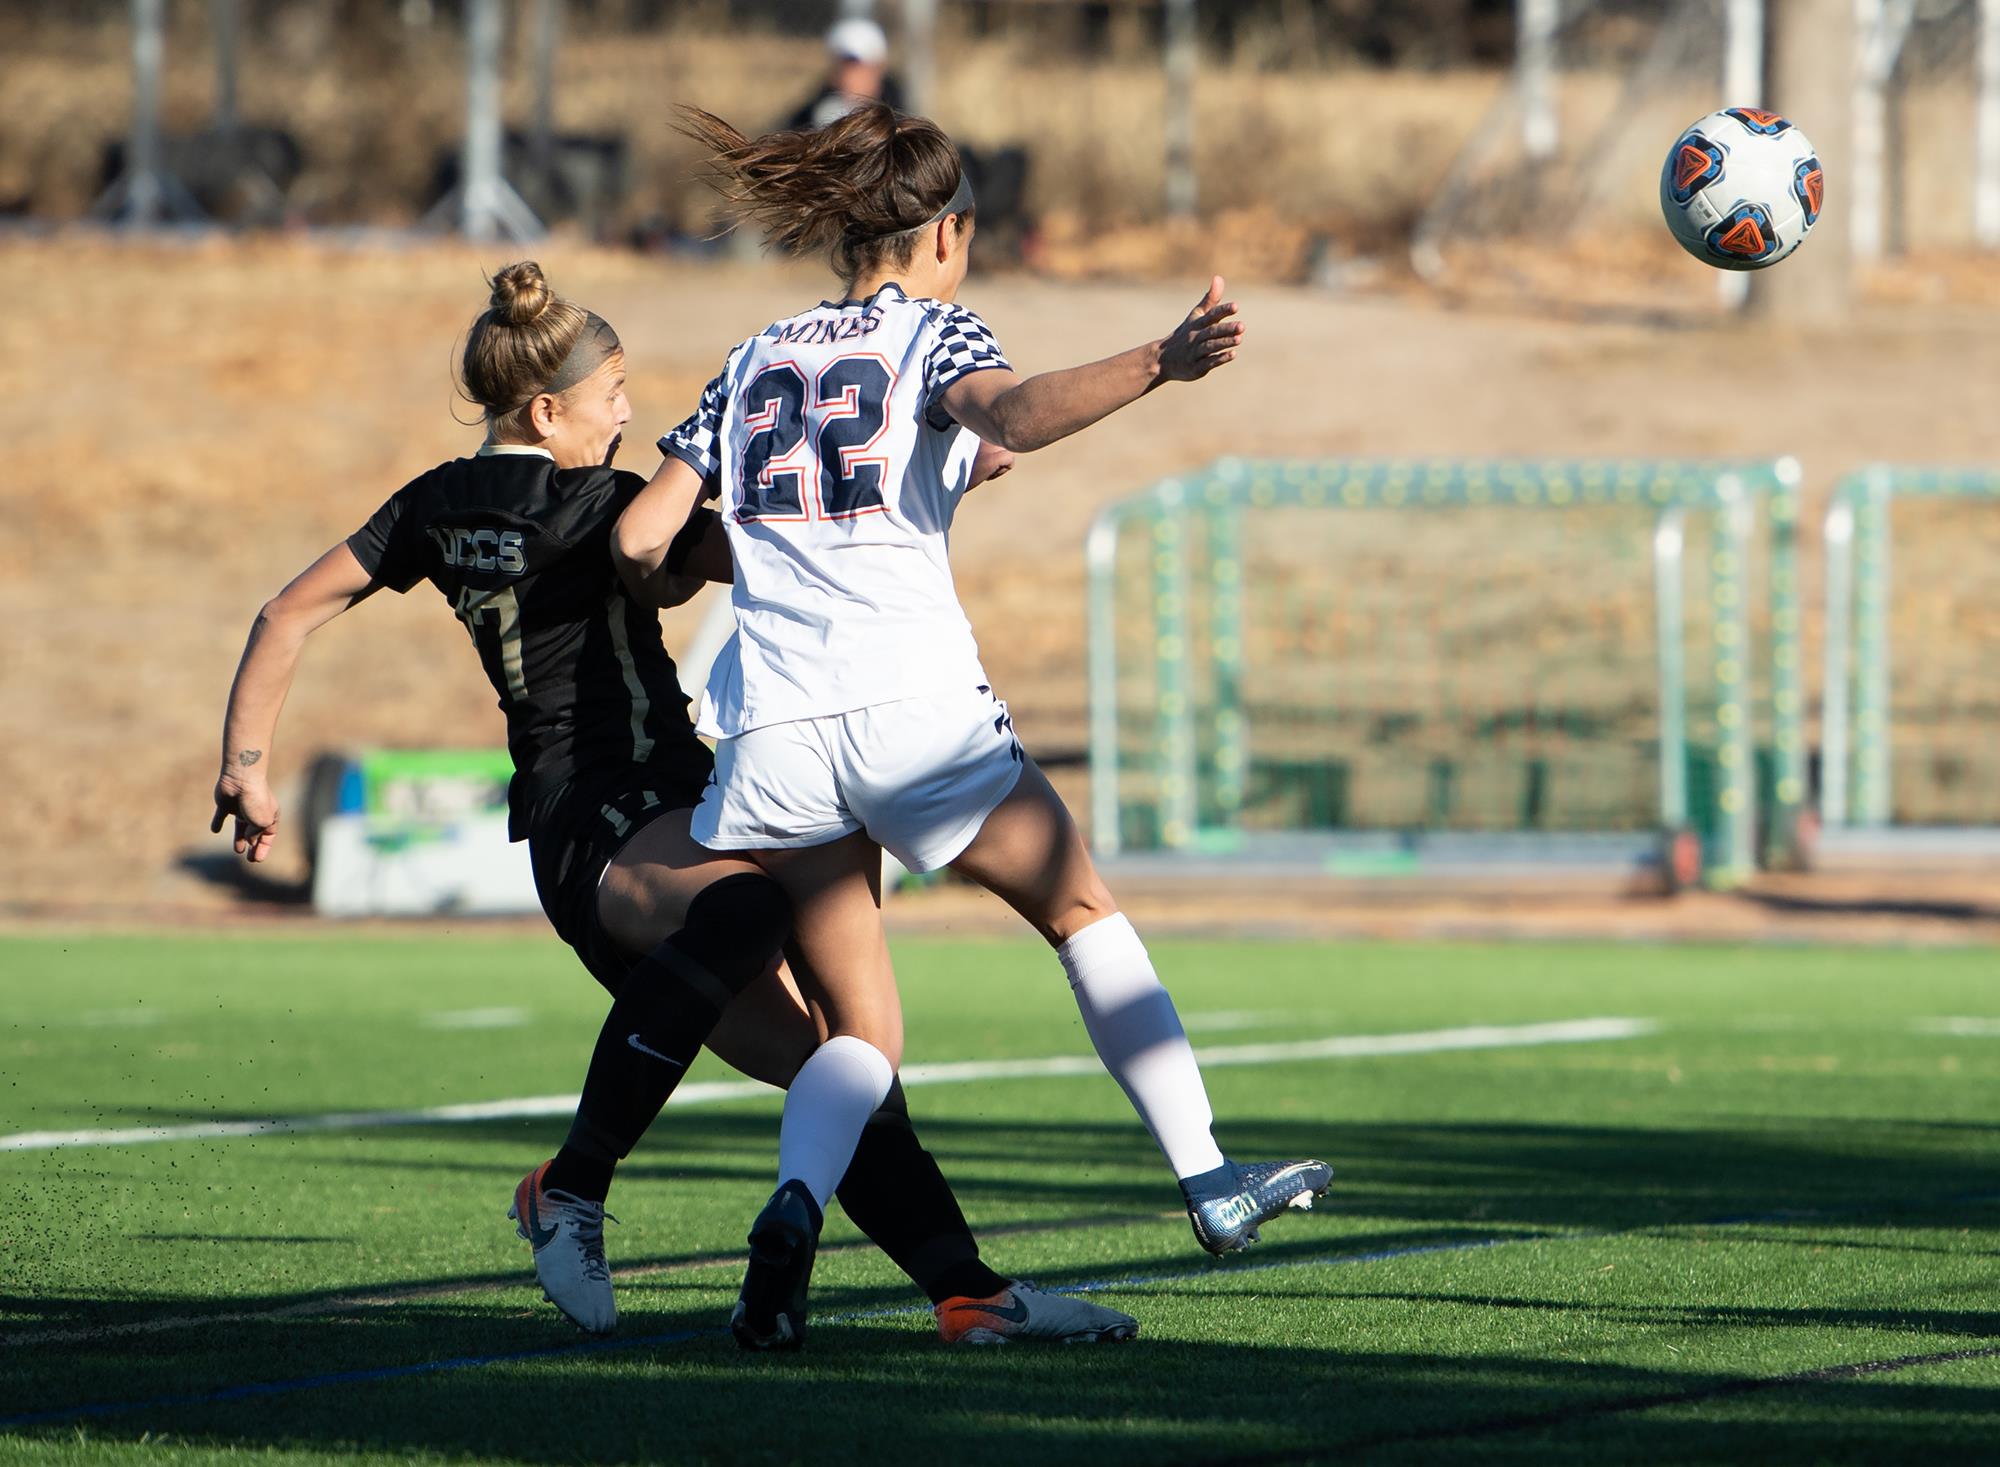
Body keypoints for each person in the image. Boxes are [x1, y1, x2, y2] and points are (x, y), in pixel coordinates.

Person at [208, 260, 1138, 1348]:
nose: (625, 417)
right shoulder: (600, 505)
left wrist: (248, 762)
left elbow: (286, 611)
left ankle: (965, 1293)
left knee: (835, 1069)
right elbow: (777, 541)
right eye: (613, 397)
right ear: (548, 409)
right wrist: (918, 478)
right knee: (749, 923)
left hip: (663, 809)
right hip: (606, 820)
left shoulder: (432, 504)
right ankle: (571, 1186)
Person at [619, 104, 1333, 1351]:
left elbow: (641, 542)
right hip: (913, 714)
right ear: (945, 233)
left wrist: (768, 548)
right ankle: (1210, 1182)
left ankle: (793, 1205)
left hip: (776, 725)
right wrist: (1157, 361)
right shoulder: (936, 330)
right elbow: (1008, 411)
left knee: (860, 1033)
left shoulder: (749, 359)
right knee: (1080, 910)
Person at [783, 18, 905, 134]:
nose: (848, 76)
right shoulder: (809, 118)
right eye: (842, 66)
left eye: (856, 67)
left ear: (878, 68)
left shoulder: (900, 121)